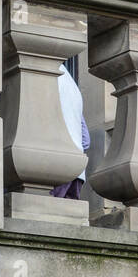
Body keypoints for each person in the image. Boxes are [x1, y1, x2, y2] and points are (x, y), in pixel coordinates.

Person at [52, 63, 90, 199]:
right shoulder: (73, 86)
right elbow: (86, 141)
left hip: (52, 166)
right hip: (77, 172)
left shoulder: (44, 74)